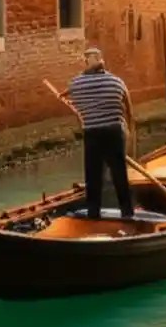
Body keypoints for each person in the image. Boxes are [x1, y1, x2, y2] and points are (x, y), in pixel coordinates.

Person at [58, 46, 136, 219]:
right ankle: (127, 213)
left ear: (85, 63)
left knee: (93, 176)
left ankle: (93, 213)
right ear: (103, 63)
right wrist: (129, 134)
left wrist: (67, 98)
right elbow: (129, 110)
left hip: (91, 133)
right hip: (114, 132)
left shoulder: (75, 84)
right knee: (119, 174)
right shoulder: (116, 82)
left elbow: (65, 95)